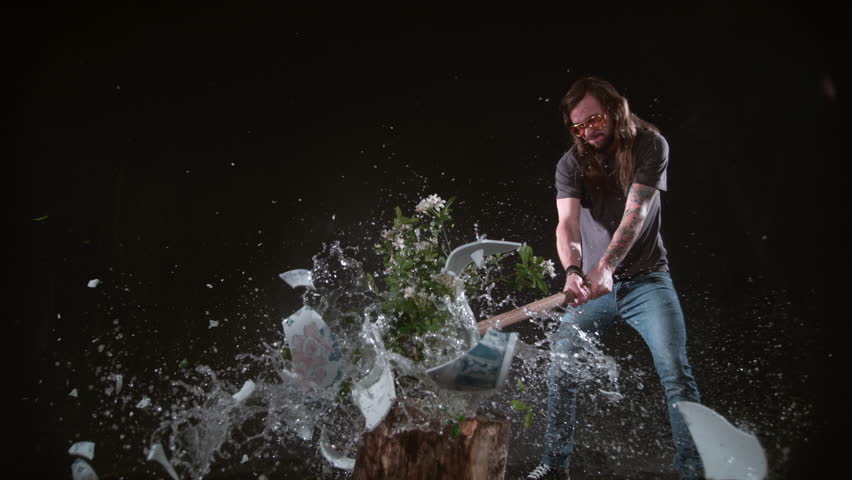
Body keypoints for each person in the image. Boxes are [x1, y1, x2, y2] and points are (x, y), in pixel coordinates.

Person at [525, 77, 703, 480]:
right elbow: (566, 226)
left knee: (675, 370)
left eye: (596, 118)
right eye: (580, 126)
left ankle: (693, 470)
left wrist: (604, 266)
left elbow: (636, 215)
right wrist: (573, 271)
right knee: (561, 368)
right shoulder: (570, 164)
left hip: (648, 281)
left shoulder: (650, 145)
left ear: (617, 108)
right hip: (592, 289)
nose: (590, 130)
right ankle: (555, 467)